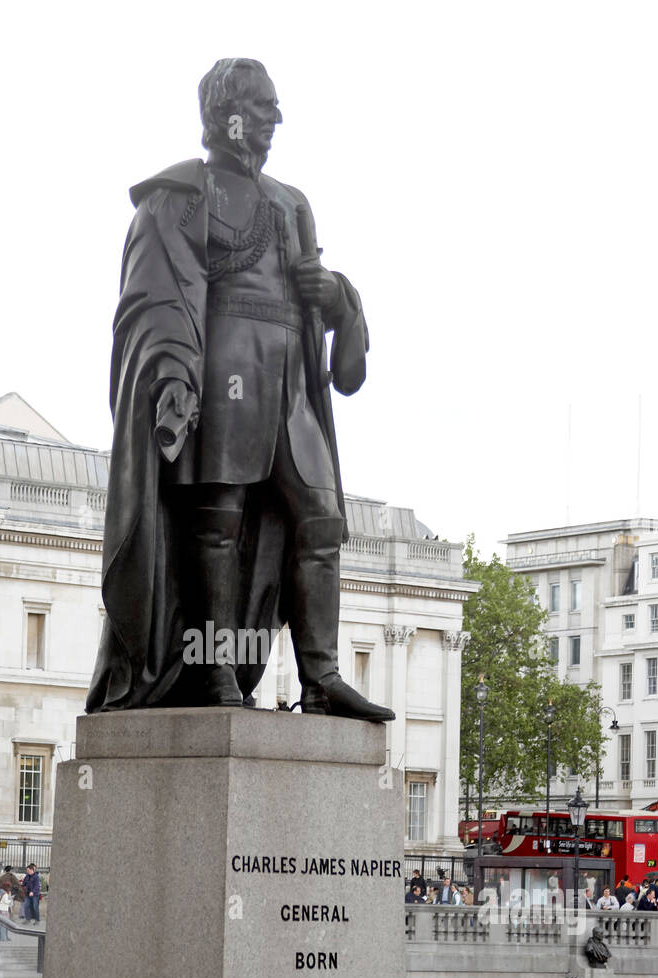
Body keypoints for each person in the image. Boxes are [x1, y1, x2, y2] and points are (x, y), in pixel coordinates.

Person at [85, 57, 393, 723]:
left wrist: (339, 298)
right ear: (224, 114)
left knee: (320, 520)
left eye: (273, 109)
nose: (273, 121)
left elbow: (326, 305)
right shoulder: (178, 195)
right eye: (260, 108)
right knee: (216, 521)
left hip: (293, 385)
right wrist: (173, 375)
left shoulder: (292, 203)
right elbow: (157, 298)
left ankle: (321, 677)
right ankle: (216, 667)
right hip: (224, 371)